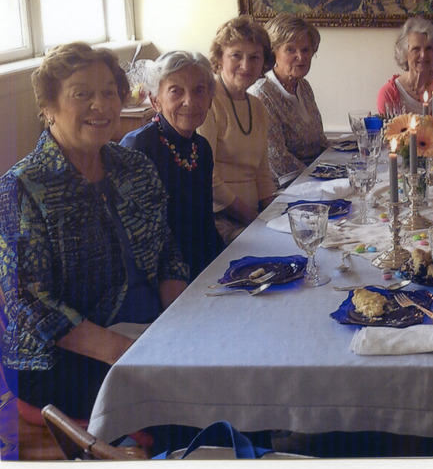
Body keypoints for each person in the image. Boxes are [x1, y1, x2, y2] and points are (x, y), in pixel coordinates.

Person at [0, 43, 188, 420]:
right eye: (82, 94)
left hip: (147, 332)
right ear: (48, 107)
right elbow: (30, 305)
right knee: (184, 395)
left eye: (108, 92)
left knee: (227, 358)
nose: (100, 105)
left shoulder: (134, 166)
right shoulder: (23, 187)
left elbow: (167, 251)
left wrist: (179, 323)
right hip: (59, 358)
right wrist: (129, 353)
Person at [121, 51, 224, 280]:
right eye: (176, 91)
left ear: (209, 98)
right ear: (156, 100)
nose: (190, 101)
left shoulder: (201, 148)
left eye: (199, 91)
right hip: (159, 278)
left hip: (201, 266)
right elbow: (137, 243)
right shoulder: (138, 147)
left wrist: (227, 266)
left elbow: (205, 224)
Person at [199, 15, 277, 244]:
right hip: (220, 221)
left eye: (254, 57)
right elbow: (208, 178)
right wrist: (255, 220)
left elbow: (262, 172)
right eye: (236, 56)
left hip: (253, 217)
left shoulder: (258, 107)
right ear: (219, 58)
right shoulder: (208, 102)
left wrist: (275, 218)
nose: (246, 65)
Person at [248, 14, 328, 186]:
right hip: (285, 189)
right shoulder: (262, 94)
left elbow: (320, 141)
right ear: (273, 53)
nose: (301, 57)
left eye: (306, 50)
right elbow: (277, 159)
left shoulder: (303, 86)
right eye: (290, 50)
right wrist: (322, 180)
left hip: (317, 178)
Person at [376, 16, 433, 130]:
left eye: (429, 48)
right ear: (404, 53)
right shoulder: (388, 94)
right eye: (416, 49)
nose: (423, 55)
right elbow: (387, 139)